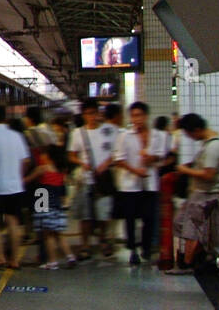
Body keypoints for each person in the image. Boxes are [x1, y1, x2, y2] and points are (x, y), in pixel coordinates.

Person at [167, 114, 219, 273]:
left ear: (197, 130)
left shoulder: (213, 147)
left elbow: (208, 174)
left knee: (191, 228)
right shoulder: (208, 144)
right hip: (199, 192)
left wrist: (185, 170)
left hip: (206, 193)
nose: (189, 137)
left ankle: (187, 264)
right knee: (180, 222)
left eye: (188, 133)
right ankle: (192, 257)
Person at [110, 101, 167, 265]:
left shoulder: (157, 135)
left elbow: (160, 156)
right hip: (129, 185)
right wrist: (136, 171)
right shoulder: (124, 136)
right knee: (130, 219)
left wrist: (151, 158)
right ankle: (133, 250)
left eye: (140, 115)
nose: (137, 119)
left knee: (149, 217)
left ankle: (147, 248)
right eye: (134, 115)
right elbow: (119, 159)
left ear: (146, 116)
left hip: (150, 184)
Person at [68, 98, 119, 258]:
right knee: (86, 215)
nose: (91, 116)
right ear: (83, 115)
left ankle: (103, 241)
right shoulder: (78, 133)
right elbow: (71, 155)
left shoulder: (110, 130)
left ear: (98, 113)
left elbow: (117, 152)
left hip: (103, 179)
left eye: (93, 112)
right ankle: (85, 245)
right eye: (87, 113)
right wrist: (82, 163)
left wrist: (106, 164)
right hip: (86, 180)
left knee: (103, 213)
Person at [0, 105, 30, 268]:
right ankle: (15, 260)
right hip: (15, 185)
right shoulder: (16, 136)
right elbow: (25, 161)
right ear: (5, 117)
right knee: (13, 222)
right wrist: (18, 176)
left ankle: (0, 256)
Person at [23, 144, 77, 269]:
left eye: (43, 154)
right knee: (59, 233)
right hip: (57, 206)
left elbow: (27, 180)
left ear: (48, 156)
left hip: (43, 204)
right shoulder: (59, 171)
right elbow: (63, 192)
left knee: (47, 236)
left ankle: (52, 262)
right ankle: (70, 256)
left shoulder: (42, 169)